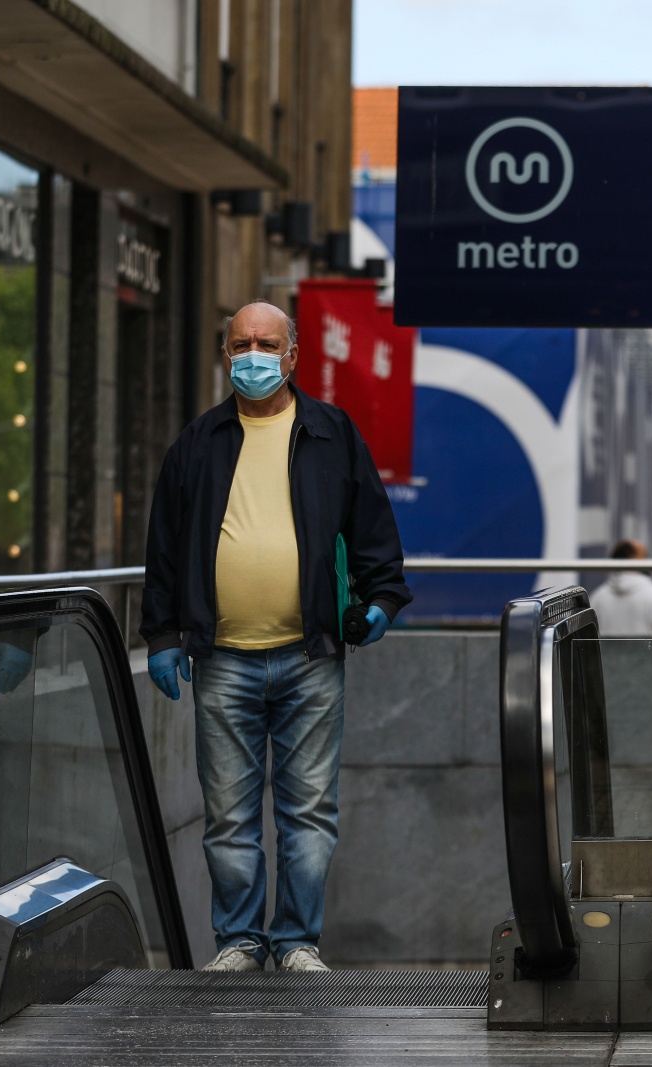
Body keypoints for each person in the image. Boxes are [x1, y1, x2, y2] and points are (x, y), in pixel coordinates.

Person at [140, 300, 411, 973]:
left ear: (292, 355)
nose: (251, 355)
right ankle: (238, 940)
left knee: (309, 815)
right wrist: (163, 634)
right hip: (222, 657)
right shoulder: (197, 442)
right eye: (239, 344)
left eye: (265, 343)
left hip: (310, 655)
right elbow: (165, 547)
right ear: (224, 354)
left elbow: (374, 529)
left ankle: (295, 941)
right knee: (229, 817)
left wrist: (381, 600)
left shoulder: (331, 433)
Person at [589, 540, 652, 635]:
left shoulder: (598, 597)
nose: (648, 560)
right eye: (645, 556)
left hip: (607, 650)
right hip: (648, 650)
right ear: (633, 559)